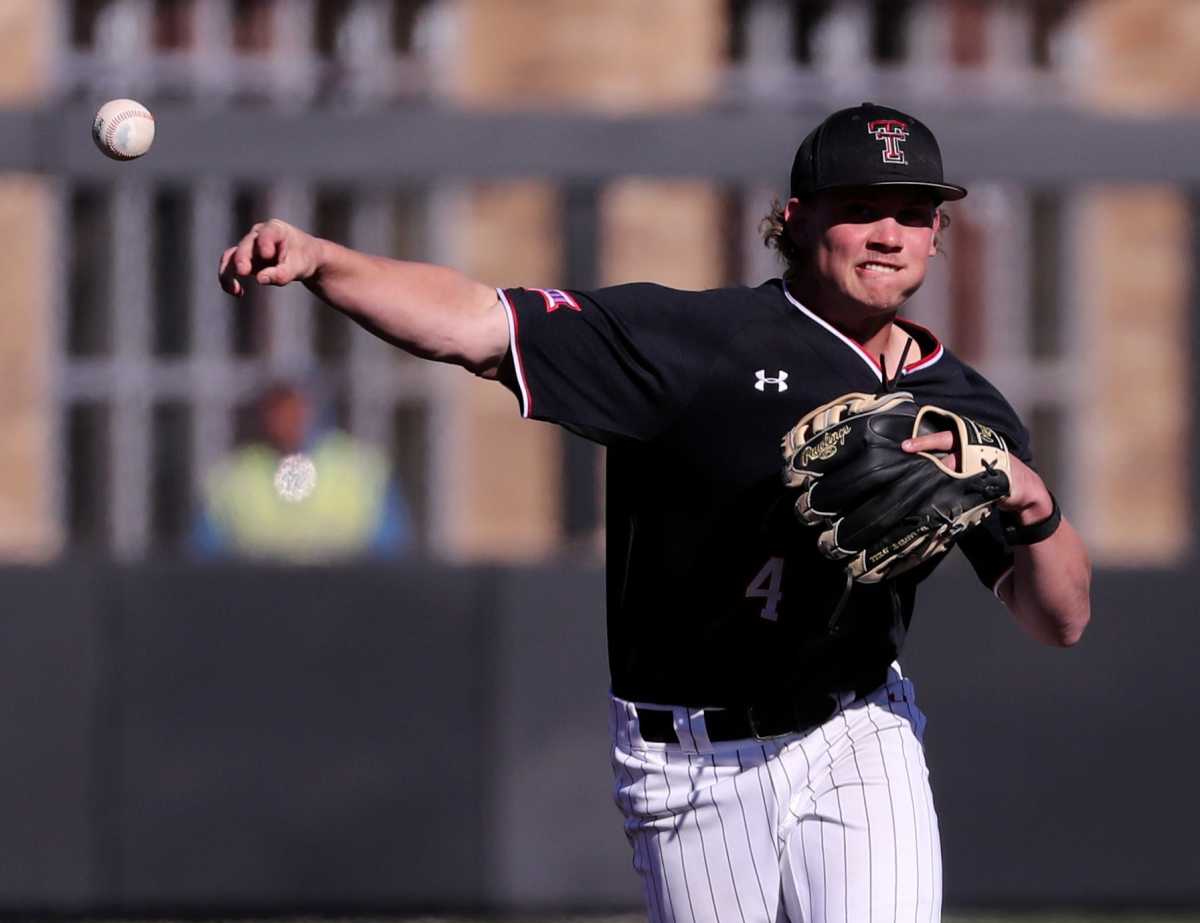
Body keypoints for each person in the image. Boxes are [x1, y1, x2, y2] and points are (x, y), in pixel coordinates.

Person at [218, 102, 1090, 922]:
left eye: (914, 212)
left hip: (857, 731)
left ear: (939, 233)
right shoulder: (691, 343)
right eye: (862, 207)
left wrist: (1033, 500)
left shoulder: (963, 404)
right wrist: (325, 261)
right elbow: (477, 324)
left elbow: (1059, 618)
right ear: (795, 219)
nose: (890, 233)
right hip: (691, 761)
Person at [193, 380, 412, 561]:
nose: (285, 420)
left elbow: (392, 547)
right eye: (277, 411)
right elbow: (205, 551)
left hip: (345, 596)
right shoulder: (235, 474)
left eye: (294, 409)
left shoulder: (360, 467)